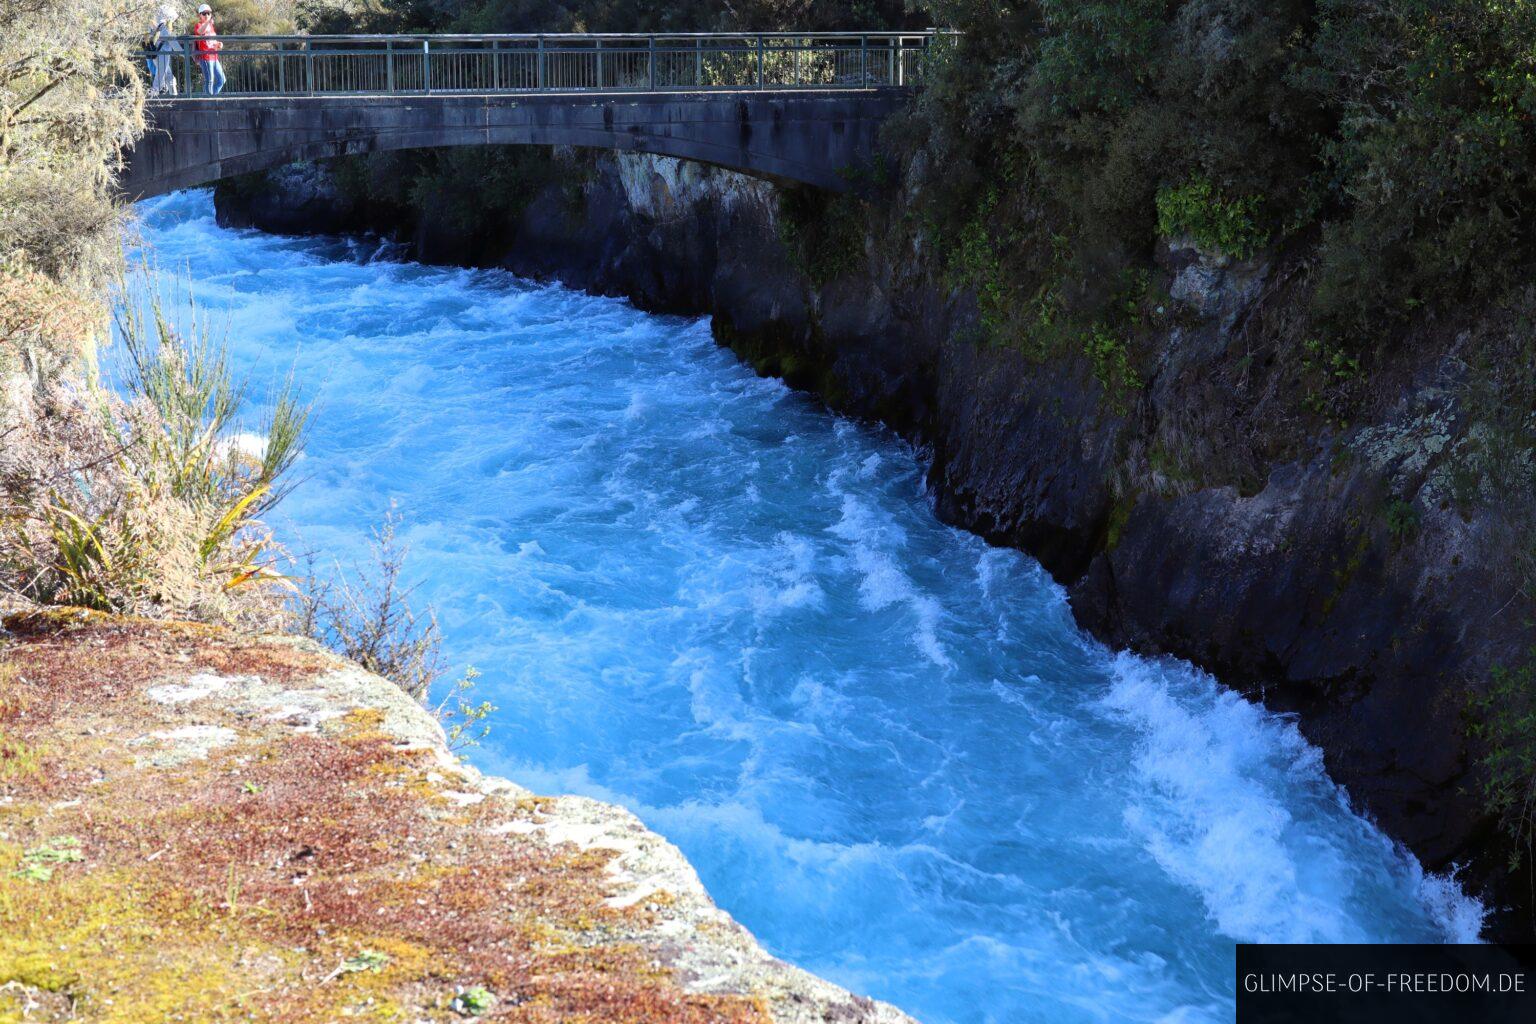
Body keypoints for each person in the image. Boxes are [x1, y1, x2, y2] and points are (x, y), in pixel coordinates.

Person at [192, 4, 225, 96]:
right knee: (209, 81)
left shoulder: (211, 26)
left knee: (222, 79)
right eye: (204, 13)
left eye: (208, 13)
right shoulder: (198, 25)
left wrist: (219, 44)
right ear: (200, 15)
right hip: (205, 57)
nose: (206, 15)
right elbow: (200, 32)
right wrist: (208, 22)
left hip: (214, 57)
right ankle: (208, 100)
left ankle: (212, 98)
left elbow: (212, 40)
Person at [150, 7, 182, 96]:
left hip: (156, 54)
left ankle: (173, 94)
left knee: (168, 74)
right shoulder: (162, 27)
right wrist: (183, 53)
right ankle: (154, 93)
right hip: (162, 53)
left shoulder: (154, 26)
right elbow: (172, 41)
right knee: (160, 75)